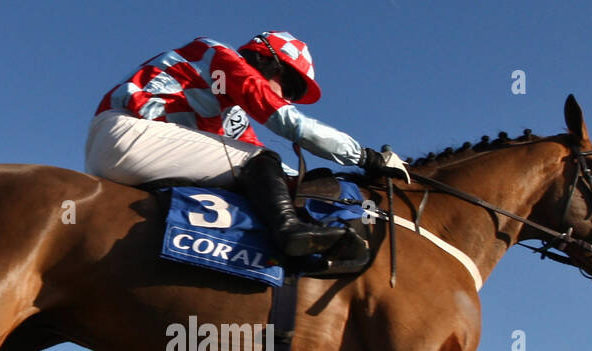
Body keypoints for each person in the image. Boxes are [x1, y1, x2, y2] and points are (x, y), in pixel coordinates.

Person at [85, 31, 405, 258]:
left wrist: (327, 180)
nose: (287, 97)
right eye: (289, 85)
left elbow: (267, 168)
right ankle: (290, 232)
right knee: (260, 158)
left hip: (130, 150)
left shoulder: (231, 116)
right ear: (267, 59)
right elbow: (289, 123)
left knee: (261, 163)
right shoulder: (219, 56)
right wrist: (365, 157)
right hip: (124, 134)